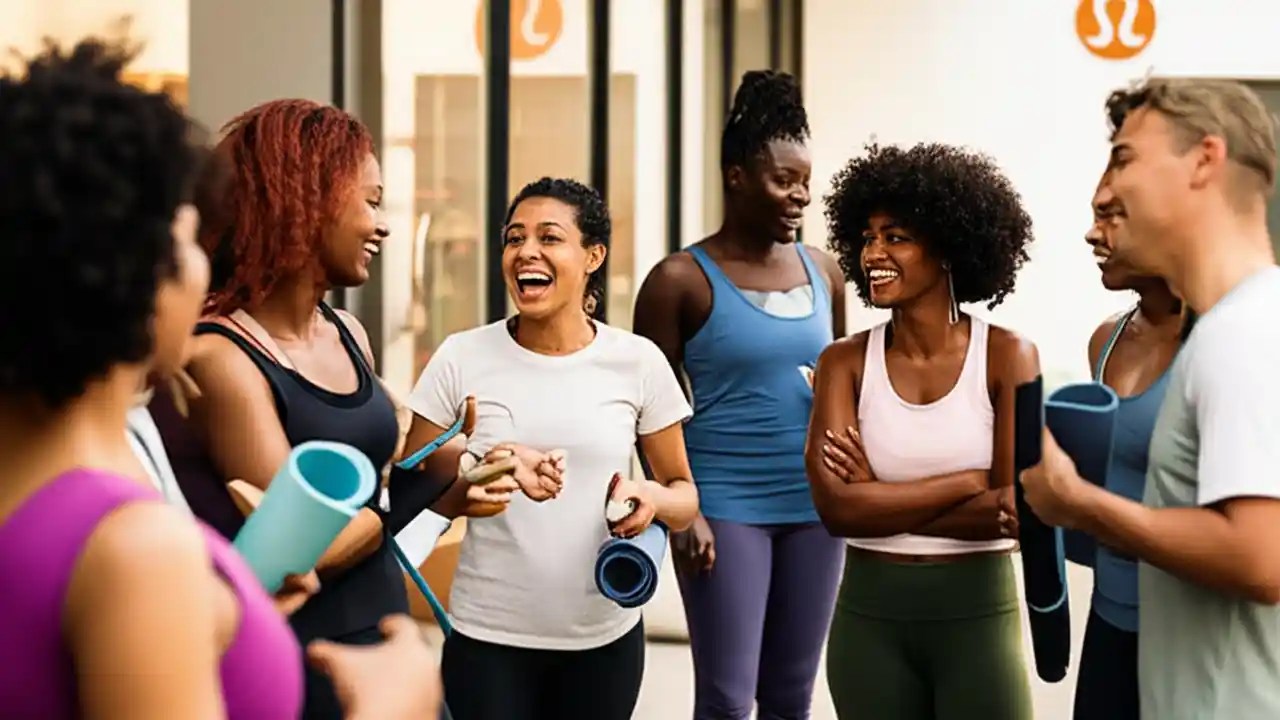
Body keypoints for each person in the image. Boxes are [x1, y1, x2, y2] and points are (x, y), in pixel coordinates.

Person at [0, 38, 438, 720]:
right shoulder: (132, 546)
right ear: (133, 272)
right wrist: (393, 704)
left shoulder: (72, 486)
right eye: (189, 236)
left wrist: (241, 602)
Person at [1020, 78, 1280, 720]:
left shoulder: (1241, 332)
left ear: (1205, 160)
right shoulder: (1237, 325)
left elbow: (1259, 556)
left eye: (1125, 158)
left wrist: (1078, 504)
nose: (1105, 193)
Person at [404, 177, 699, 720]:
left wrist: (649, 498)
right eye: (514, 238)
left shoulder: (637, 362)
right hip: (487, 637)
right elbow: (410, 487)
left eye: (549, 237)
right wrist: (481, 468)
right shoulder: (461, 356)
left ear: (593, 255)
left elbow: (685, 497)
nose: (526, 252)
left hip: (603, 640)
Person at [182, 98, 437, 718]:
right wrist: (411, 491)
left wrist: (457, 470)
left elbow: (385, 474)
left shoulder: (348, 332)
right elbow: (296, 552)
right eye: (370, 201)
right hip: (307, 663)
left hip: (385, 642)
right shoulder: (222, 358)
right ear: (307, 200)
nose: (383, 225)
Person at [632, 69, 846, 719]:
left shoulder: (825, 272)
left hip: (815, 509)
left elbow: (843, 384)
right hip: (723, 506)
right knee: (727, 699)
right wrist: (680, 513)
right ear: (735, 177)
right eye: (784, 180)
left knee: (791, 696)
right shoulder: (678, 281)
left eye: (806, 180)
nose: (800, 195)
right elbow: (647, 413)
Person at [810, 142, 1038, 720]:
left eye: (897, 236)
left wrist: (878, 497)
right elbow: (838, 512)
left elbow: (1014, 512)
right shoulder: (843, 362)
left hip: (977, 619)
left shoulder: (1010, 357)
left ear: (947, 249)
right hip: (869, 623)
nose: (873, 253)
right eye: (867, 237)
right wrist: (969, 481)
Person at [1071, 172, 1194, 720]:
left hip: (1191, 639)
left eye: (1110, 217)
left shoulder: (1220, 343)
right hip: (1110, 623)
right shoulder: (1105, 339)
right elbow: (1106, 493)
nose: (1092, 235)